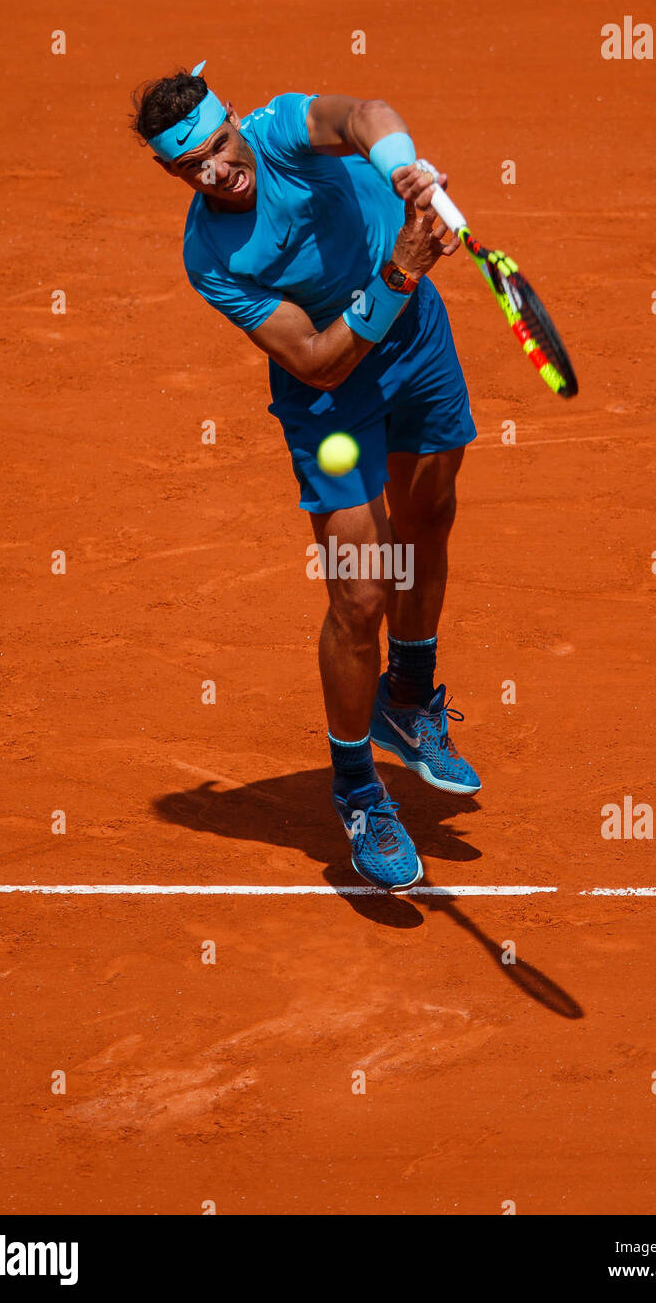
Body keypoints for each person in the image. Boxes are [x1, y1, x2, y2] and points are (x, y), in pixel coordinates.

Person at [130, 61, 481, 891]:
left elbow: (367, 110)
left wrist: (398, 165)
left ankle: (412, 692)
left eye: (218, 147)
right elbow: (319, 364)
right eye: (191, 167)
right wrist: (397, 272)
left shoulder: (283, 127)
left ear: (235, 123)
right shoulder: (208, 257)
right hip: (335, 393)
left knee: (429, 521)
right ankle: (358, 788)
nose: (216, 171)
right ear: (171, 173)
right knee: (360, 594)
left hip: (416, 344)